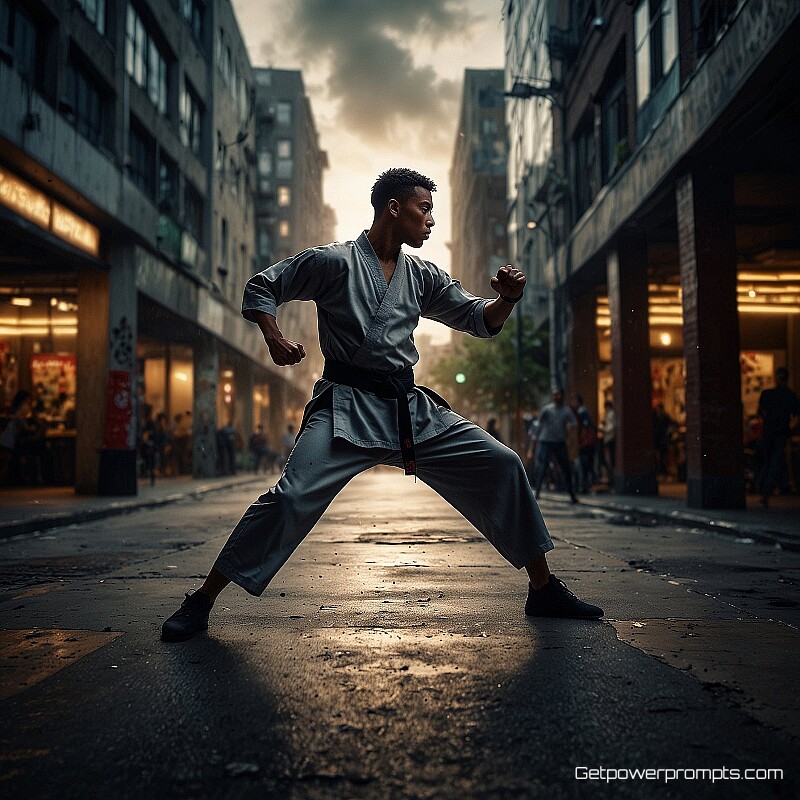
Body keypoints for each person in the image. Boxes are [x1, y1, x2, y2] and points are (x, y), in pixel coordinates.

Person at [161, 168, 603, 642]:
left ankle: (542, 588)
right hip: (344, 407)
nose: (431, 220)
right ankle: (203, 599)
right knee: (289, 498)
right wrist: (273, 336)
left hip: (407, 409)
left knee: (503, 463)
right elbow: (262, 288)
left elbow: (478, 317)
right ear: (394, 208)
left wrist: (507, 300)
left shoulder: (422, 275)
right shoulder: (333, 262)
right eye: (424, 209)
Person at [758, 367, 800, 508]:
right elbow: (797, 417)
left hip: (769, 432)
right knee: (774, 462)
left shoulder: (768, 394)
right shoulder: (790, 396)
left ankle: (764, 489)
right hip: (781, 432)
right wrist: (789, 427)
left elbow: (761, 412)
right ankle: (767, 490)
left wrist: (767, 422)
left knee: (769, 461)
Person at [530, 388, 579, 503]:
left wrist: (571, 432)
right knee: (543, 467)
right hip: (546, 441)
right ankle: (537, 493)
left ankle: (572, 494)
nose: (556, 397)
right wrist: (534, 442)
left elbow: (574, 424)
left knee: (566, 468)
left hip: (559, 441)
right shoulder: (547, 409)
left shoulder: (566, 411)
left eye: (558, 395)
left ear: (562, 395)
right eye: (554, 395)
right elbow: (539, 425)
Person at [572, 394, 595, 493]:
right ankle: (585, 486)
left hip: (585, 443)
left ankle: (586, 486)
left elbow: (585, 427)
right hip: (585, 443)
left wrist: (580, 439)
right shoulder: (580, 412)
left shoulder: (581, 412)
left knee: (585, 464)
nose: (573, 404)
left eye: (574, 401)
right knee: (585, 464)